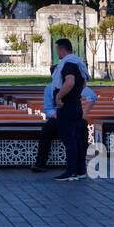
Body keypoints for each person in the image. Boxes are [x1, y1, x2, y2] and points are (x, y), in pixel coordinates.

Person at [34, 38, 88, 179]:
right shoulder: (78, 64)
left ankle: (71, 171)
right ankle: (80, 170)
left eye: (57, 49)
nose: (57, 52)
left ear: (62, 49)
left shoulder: (68, 64)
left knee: (69, 140)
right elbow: (82, 84)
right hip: (75, 105)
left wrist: (58, 97)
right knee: (76, 138)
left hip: (67, 106)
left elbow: (69, 82)